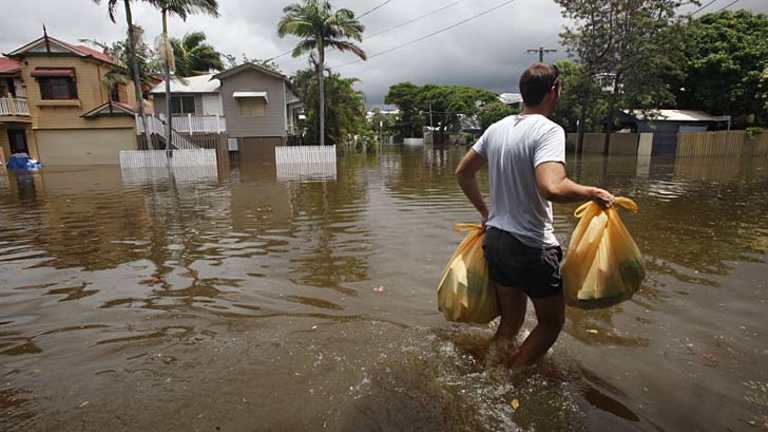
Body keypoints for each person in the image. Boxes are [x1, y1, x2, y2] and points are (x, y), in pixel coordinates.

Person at [455, 63, 615, 367]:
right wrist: (592, 192)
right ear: (554, 91)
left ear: (523, 93)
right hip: (530, 244)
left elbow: (463, 173)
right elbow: (551, 188)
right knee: (551, 323)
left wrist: (486, 213)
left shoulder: (496, 128)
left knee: (511, 321)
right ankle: (509, 377)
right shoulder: (549, 130)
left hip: (496, 240)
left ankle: (491, 368)